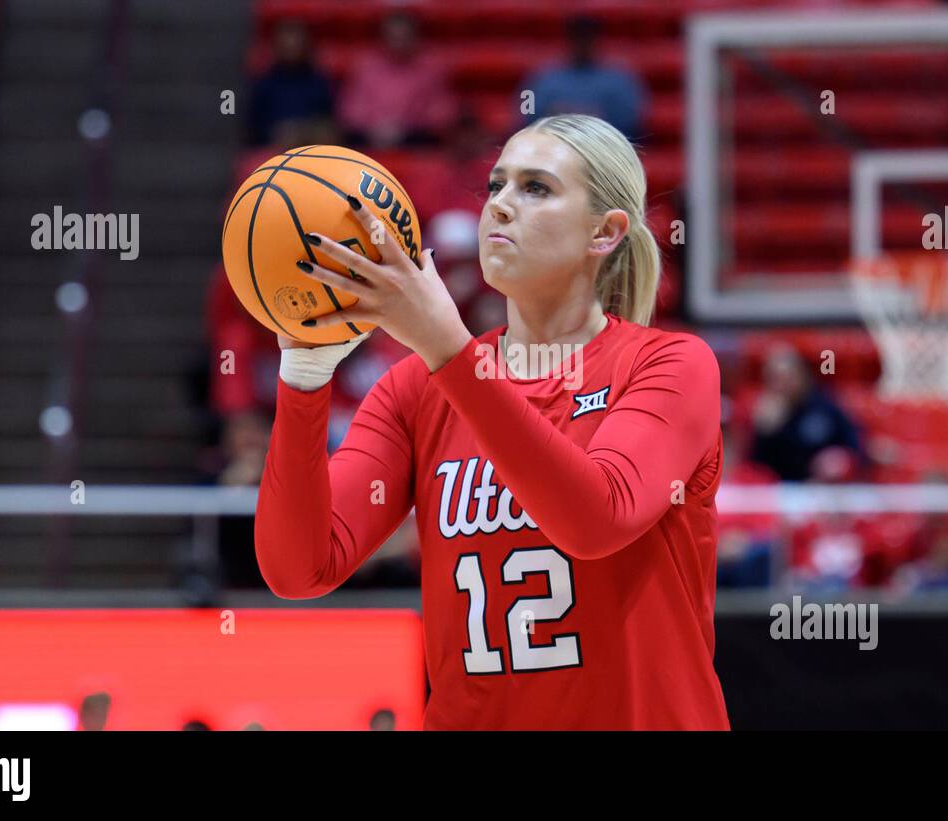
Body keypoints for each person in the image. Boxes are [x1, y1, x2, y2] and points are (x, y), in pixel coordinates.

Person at [255, 114, 729, 730]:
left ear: (604, 232)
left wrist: (452, 352)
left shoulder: (670, 365)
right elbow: (299, 569)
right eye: (497, 184)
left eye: (535, 188)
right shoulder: (414, 389)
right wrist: (303, 382)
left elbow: (595, 518)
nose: (500, 205)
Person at [336, 11, 458, 149]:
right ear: (383, 37)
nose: (399, 41)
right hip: (370, 140)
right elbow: (351, 111)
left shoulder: (433, 67)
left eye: (404, 36)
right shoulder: (365, 67)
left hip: (417, 142)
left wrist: (404, 130)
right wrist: (376, 130)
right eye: (393, 36)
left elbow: (442, 113)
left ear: (415, 36)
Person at [747, 342, 865, 482]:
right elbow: (754, 466)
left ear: (802, 374)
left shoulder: (825, 405)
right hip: (782, 491)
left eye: (788, 376)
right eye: (776, 378)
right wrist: (765, 433)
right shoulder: (764, 413)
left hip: (826, 488)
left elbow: (856, 446)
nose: (783, 384)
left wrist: (841, 458)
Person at [519, 16, 649, 142]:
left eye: (587, 39)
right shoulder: (543, 77)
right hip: (552, 143)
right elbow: (525, 108)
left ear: (596, 40)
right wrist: (550, 117)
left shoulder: (620, 80)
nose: (582, 44)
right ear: (570, 40)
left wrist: (592, 118)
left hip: (604, 146)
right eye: (578, 38)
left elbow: (631, 119)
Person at [247, 18, 337, 147]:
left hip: (313, 141)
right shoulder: (264, 84)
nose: (292, 45)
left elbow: (330, 119)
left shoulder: (319, 81)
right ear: (277, 45)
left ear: (306, 44)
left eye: (297, 40)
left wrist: (305, 130)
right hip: (277, 144)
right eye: (287, 40)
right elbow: (254, 126)